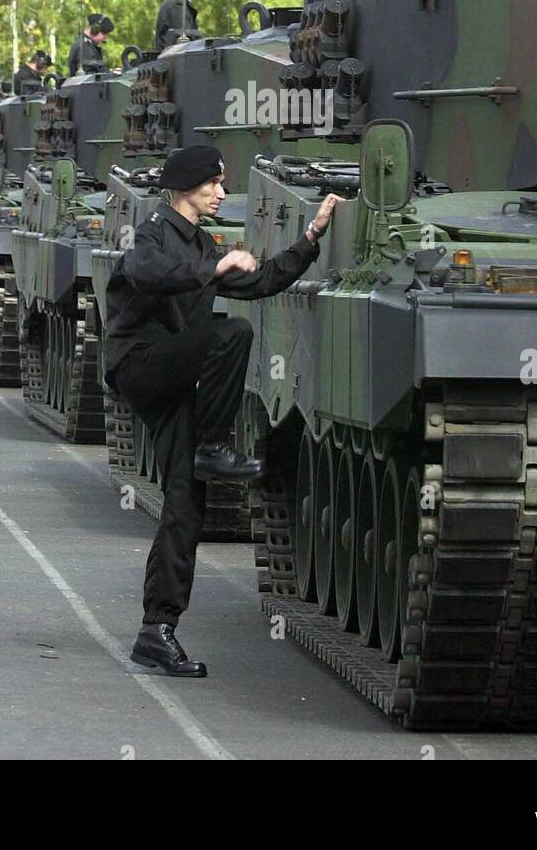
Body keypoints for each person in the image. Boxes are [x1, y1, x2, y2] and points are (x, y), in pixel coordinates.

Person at [103, 143, 341, 676]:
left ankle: (156, 630)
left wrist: (310, 240)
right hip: (141, 364)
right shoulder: (153, 232)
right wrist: (211, 267)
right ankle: (214, 445)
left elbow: (258, 282)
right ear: (188, 186)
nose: (222, 192)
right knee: (230, 333)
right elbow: (146, 272)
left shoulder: (201, 243)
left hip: (173, 377)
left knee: (187, 499)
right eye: (214, 183)